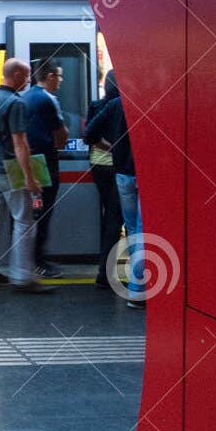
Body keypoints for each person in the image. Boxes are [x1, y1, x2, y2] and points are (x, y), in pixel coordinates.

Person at [0, 57, 49, 294]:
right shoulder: (15, 103)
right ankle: (23, 277)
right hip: (9, 169)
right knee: (24, 222)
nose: (29, 80)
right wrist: (29, 177)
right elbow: (20, 143)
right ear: (16, 75)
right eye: (27, 75)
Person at [85, 70, 145, 308]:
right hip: (141, 174)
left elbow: (89, 134)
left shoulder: (112, 106)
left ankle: (131, 280)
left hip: (121, 174)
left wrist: (113, 149)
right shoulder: (144, 105)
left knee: (131, 228)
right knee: (141, 231)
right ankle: (138, 289)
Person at [21, 59, 69, 277]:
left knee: (28, 214)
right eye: (59, 76)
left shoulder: (24, 97)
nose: (61, 80)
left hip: (25, 163)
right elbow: (61, 137)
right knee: (44, 212)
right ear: (49, 77)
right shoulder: (49, 100)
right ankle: (39, 262)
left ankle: (25, 261)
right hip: (45, 163)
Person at [85, 73, 124, 289]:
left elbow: (89, 135)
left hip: (97, 165)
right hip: (118, 166)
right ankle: (106, 273)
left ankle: (105, 269)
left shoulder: (96, 105)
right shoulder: (123, 106)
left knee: (108, 216)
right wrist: (115, 148)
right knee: (114, 219)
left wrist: (105, 146)